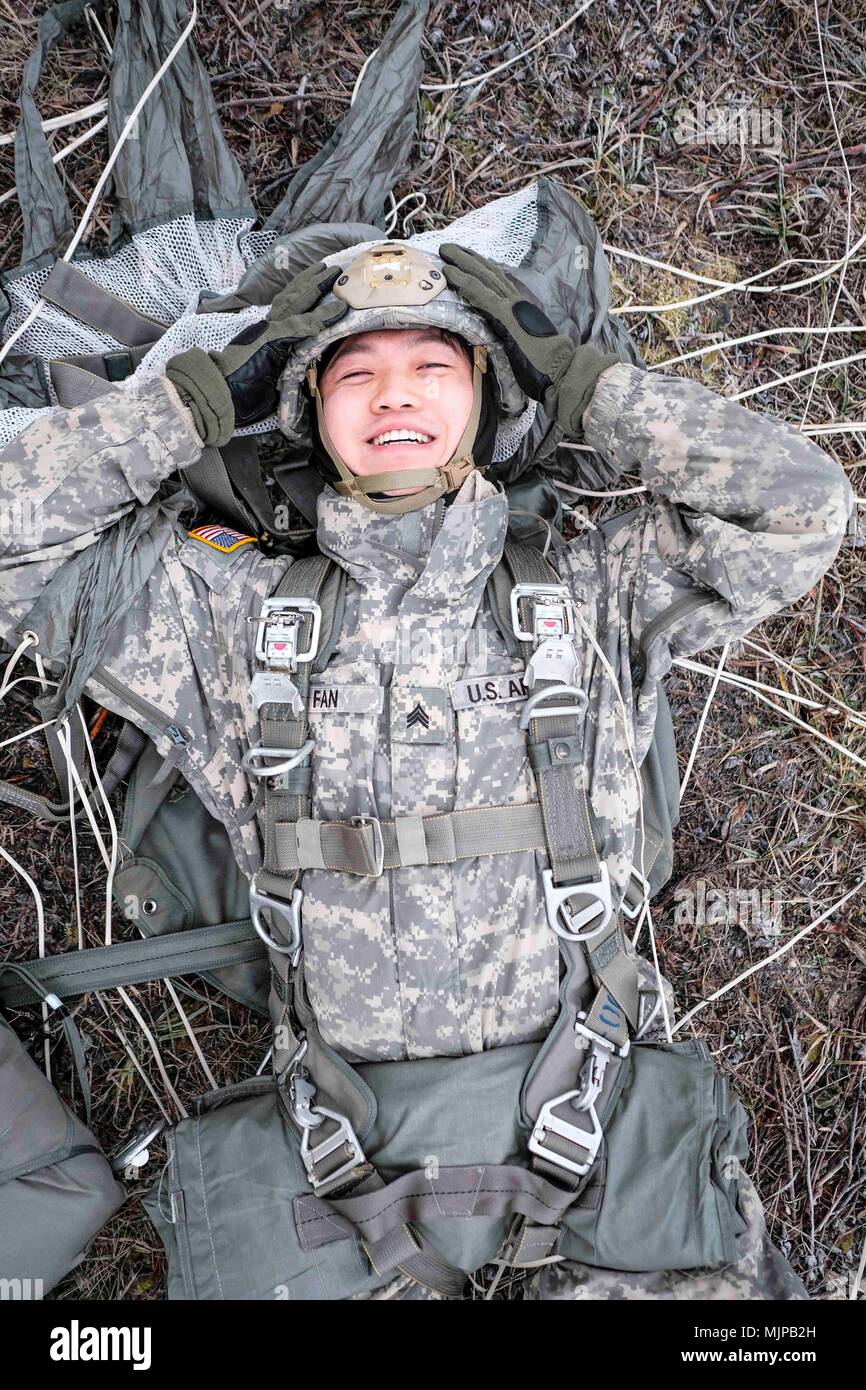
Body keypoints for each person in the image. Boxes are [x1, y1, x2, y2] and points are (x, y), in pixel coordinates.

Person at [0, 241, 852, 1300]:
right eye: (354, 374)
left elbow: (804, 505)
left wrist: (589, 389)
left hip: (593, 1118)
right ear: (312, 415)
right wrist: (193, 404)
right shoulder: (226, 617)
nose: (393, 394)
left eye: (433, 369)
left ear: (485, 408)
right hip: (340, 1155)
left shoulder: (597, 584)